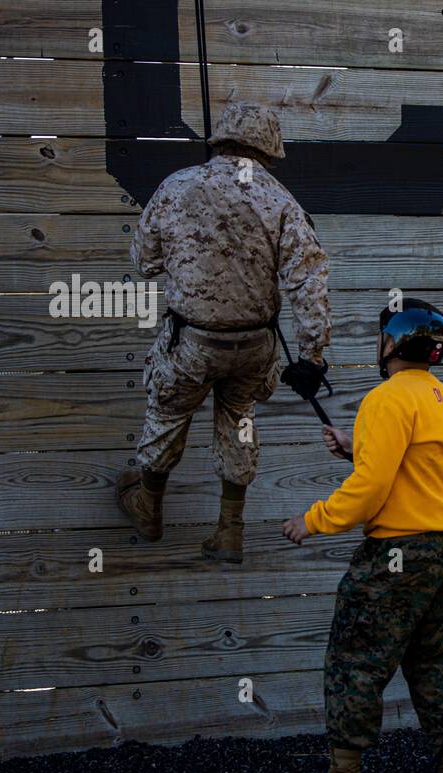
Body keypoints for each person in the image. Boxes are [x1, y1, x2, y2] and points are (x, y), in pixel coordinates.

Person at [276, 299, 443, 773]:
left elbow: (370, 490)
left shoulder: (385, 399)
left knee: (354, 658)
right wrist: (354, 443)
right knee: (433, 660)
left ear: (391, 343)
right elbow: (410, 465)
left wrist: (313, 519)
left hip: (398, 554)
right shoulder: (441, 397)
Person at [116, 101, 332, 562]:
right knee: (241, 422)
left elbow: (144, 263)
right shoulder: (280, 201)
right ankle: (230, 531)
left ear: (219, 141)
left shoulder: (176, 187)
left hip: (191, 343)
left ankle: (148, 507)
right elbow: (308, 280)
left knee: (168, 415)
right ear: (269, 152)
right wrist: (312, 357)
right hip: (255, 347)